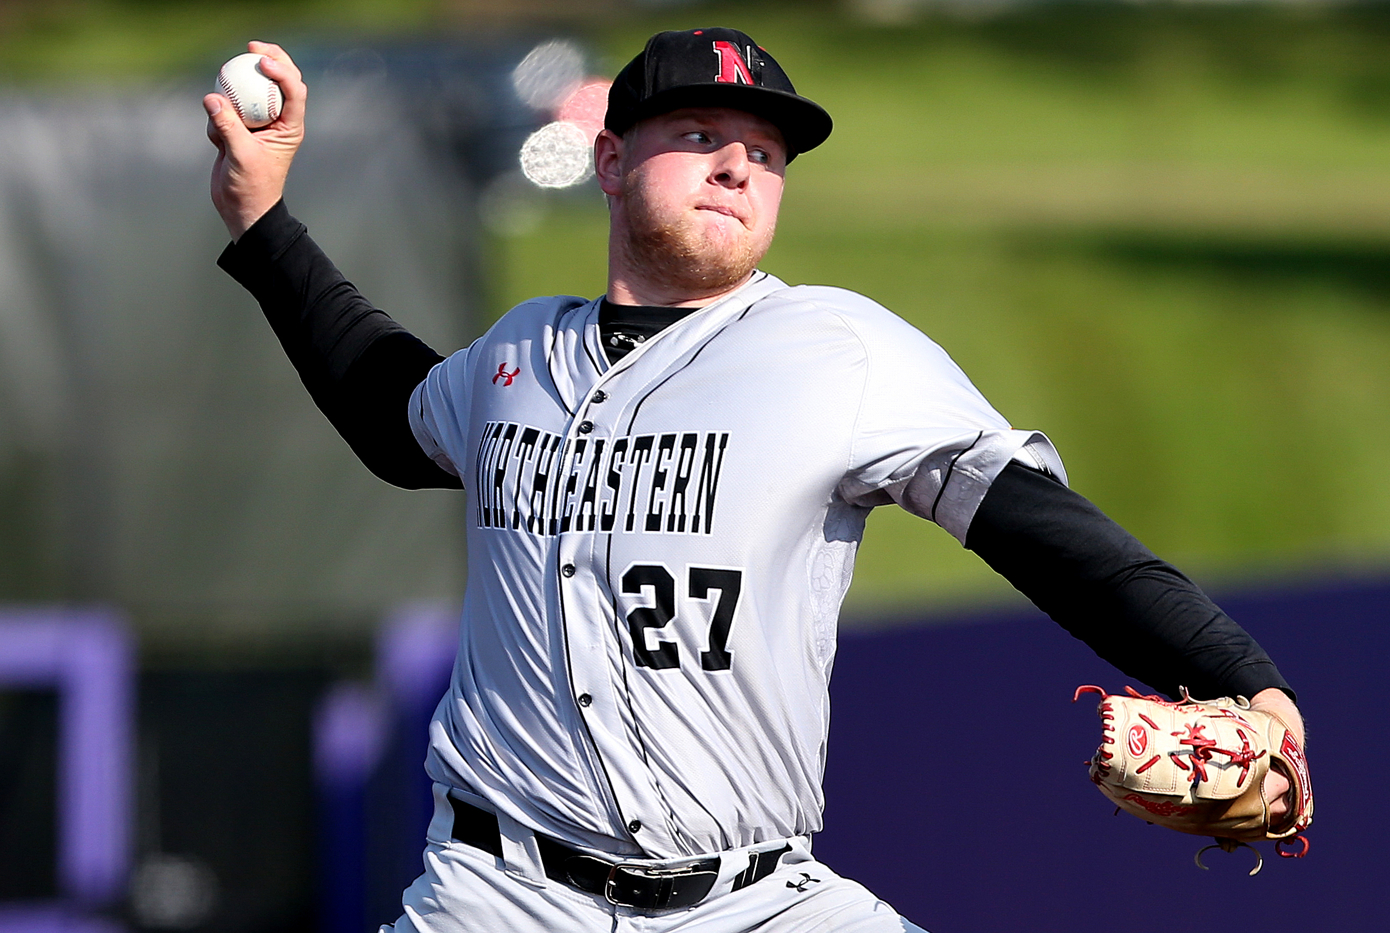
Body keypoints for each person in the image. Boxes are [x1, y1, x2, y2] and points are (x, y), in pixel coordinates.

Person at [204, 29, 1306, 933]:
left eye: (765, 153)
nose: (738, 163)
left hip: (754, 902)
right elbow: (389, 416)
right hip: (498, 897)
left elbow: (1039, 531)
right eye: (698, 134)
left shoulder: (841, 351)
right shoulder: (517, 356)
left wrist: (1233, 672)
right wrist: (261, 222)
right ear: (610, 162)